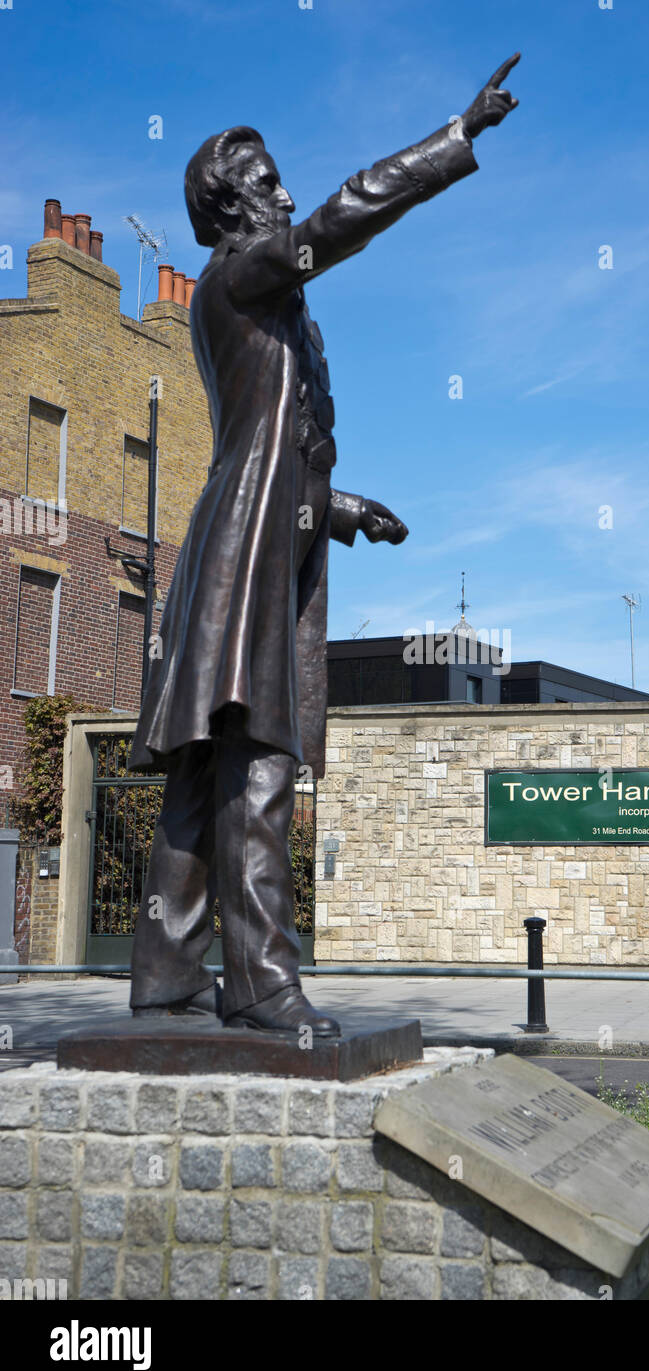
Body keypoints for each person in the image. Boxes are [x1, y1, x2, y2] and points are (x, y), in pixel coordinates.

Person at [127, 55, 522, 1033]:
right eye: (263, 183)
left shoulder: (251, 295)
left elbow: (266, 440)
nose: (283, 193)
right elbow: (344, 213)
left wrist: (336, 506)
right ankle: (259, 979)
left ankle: (168, 972)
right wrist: (452, 138)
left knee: (202, 761)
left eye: (278, 179)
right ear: (225, 208)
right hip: (242, 543)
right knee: (257, 755)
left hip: (248, 534)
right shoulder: (240, 275)